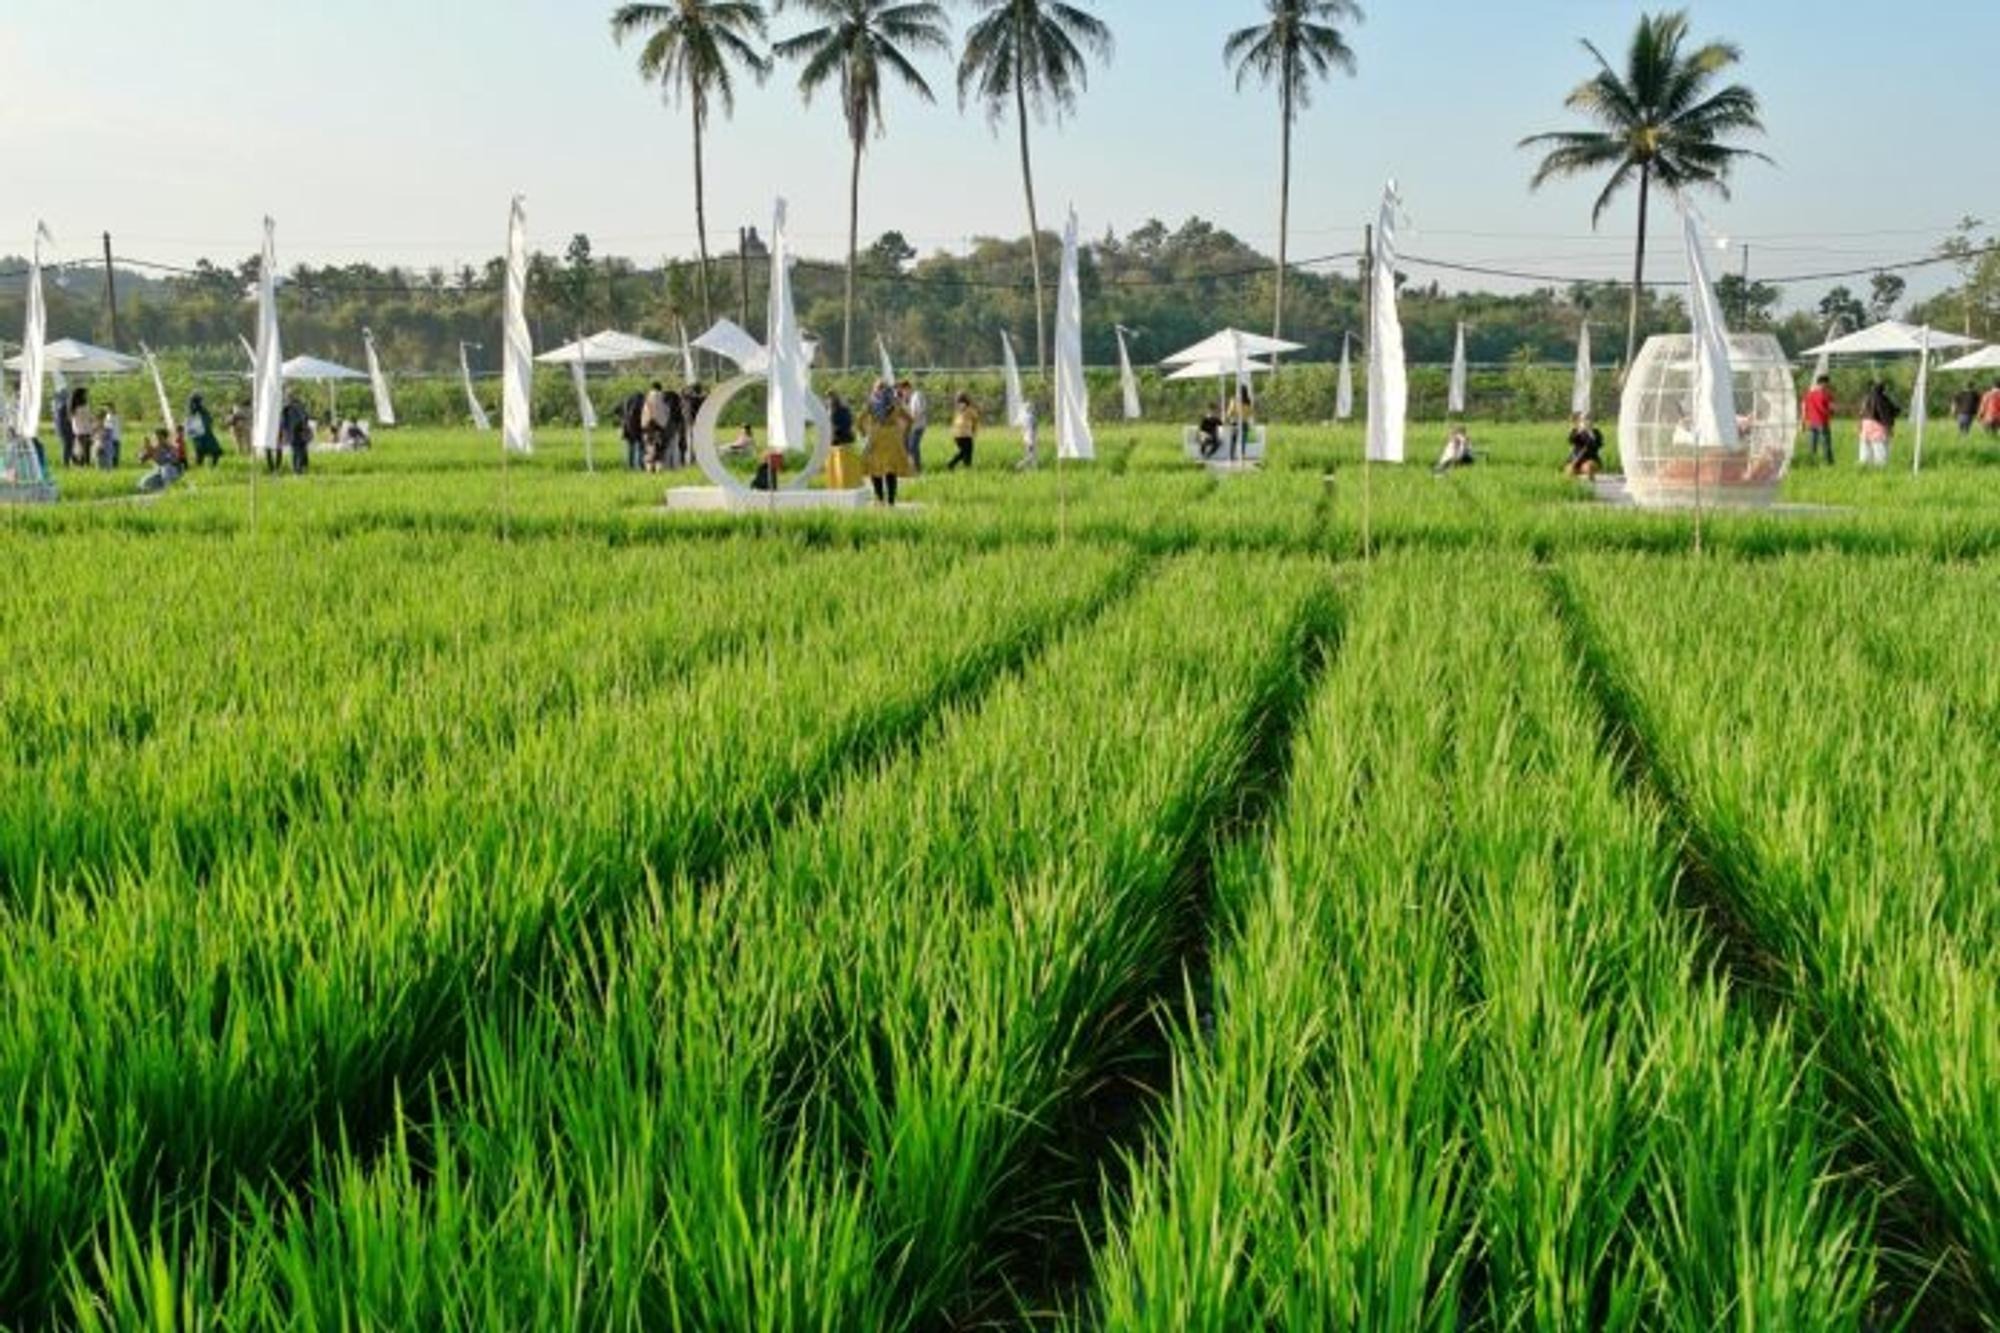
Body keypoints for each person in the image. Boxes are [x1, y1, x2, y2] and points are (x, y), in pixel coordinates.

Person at [859, 379, 913, 505]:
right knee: (891, 470)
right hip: (893, 439)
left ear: (875, 389)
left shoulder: (871, 403)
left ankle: (880, 499)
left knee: (875, 469)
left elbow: (859, 420)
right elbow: (910, 420)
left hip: (876, 438)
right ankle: (891, 501)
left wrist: (864, 433)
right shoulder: (896, 403)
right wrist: (904, 433)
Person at [1858, 381, 1899, 467]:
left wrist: (1860, 426)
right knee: (1880, 451)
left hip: (1865, 425)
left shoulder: (1866, 398)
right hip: (1877, 426)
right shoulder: (1882, 399)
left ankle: (1864, 468)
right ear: (1883, 390)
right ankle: (1880, 470)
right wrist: (1889, 428)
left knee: (1865, 450)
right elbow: (1884, 414)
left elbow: (1861, 413)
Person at [826, 390, 861, 490]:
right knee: (841, 467)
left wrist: (833, 434)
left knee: (843, 467)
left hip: (841, 441)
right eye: (828, 398)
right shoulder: (834, 410)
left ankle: (844, 485)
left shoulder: (839, 410)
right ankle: (840, 485)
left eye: (830, 398)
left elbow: (843, 425)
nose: (828, 400)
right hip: (841, 441)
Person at [1801, 375, 1836, 465]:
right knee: (1826, 444)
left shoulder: (1809, 394)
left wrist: (1803, 421)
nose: (1828, 386)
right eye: (1827, 384)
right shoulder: (1826, 395)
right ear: (1823, 383)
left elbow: (1803, 407)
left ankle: (1811, 462)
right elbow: (1832, 408)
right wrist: (1832, 412)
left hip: (1812, 423)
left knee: (1812, 445)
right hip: (1822, 422)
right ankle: (1829, 463)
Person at [138, 427, 184, 493]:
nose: (158, 441)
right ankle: (159, 489)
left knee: (166, 468)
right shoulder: (153, 449)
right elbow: (141, 461)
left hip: (173, 472)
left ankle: (169, 488)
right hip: (159, 473)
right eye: (156, 439)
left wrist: (156, 453)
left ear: (165, 438)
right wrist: (145, 451)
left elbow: (173, 461)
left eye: (160, 438)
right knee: (143, 483)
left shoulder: (171, 447)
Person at [185, 394, 224, 467]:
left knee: (208, 451)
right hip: (201, 434)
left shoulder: (199, 410)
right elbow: (208, 420)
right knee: (204, 452)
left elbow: (208, 420)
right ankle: (205, 467)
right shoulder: (196, 411)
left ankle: (209, 466)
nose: (202, 402)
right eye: (200, 400)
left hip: (202, 434)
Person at [277, 390, 309, 474]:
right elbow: (306, 417)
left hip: (292, 433)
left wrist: (284, 432)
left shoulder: (286, 408)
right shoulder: (300, 406)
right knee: (300, 450)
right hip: (301, 431)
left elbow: (283, 422)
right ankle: (299, 468)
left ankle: (297, 469)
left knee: (296, 451)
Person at [1563, 413, 1604, 477]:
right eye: (1582, 420)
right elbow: (1571, 440)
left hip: (1590, 458)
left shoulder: (1596, 432)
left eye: (1587, 419)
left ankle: (1591, 482)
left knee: (1589, 467)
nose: (1585, 422)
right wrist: (1579, 431)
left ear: (1591, 421)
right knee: (1569, 470)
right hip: (1576, 458)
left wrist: (1590, 433)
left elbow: (1598, 445)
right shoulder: (1575, 431)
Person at [901, 378, 929, 473]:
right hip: (911, 426)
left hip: (918, 426)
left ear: (908, 388)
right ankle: (910, 466)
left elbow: (919, 411)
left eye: (903, 391)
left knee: (913, 446)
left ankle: (917, 468)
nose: (903, 393)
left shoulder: (917, 395)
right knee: (906, 446)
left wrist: (911, 418)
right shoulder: (909, 398)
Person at [947, 393, 980, 470]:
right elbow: (976, 417)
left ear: (966, 402)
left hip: (964, 434)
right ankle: (952, 463)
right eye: (959, 403)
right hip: (961, 435)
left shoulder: (966, 411)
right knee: (965, 452)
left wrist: (974, 430)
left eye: (962, 402)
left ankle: (965, 466)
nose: (961, 405)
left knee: (966, 452)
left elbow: (976, 418)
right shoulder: (965, 410)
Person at [641, 381, 669, 471]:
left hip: (648, 427)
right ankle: (658, 469)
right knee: (659, 449)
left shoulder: (647, 398)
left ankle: (649, 469)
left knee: (649, 448)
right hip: (660, 427)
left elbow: (644, 414)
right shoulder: (663, 398)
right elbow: (666, 412)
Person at [68, 387, 98, 468]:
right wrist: (95, 420)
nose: (86, 396)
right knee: (86, 449)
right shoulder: (84, 407)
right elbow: (90, 418)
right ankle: (84, 464)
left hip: (78, 430)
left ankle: (79, 463)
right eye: (85, 394)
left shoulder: (73, 408)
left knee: (83, 449)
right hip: (85, 430)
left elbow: (73, 420)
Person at [1224, 384, 1255, 460]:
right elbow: (1251, 413)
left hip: (1235, 422)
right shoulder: (1248, 401)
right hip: (1244, 423)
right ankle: (1242, 455)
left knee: (1233, 440)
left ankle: (1231, 456)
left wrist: (1227, 417)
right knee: (1243, 441)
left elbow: (1230, 412)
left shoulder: (1234, 400)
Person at [619, 389, 646, 470]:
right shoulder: (642, 404)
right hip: (639, 428)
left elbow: (616, 410)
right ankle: (641, 465)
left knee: (631, 448)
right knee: (641, 448)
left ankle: (631, 465)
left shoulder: (627, 402)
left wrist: (622, 417)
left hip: (628, 428)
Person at [1015, 399, 1040, 471]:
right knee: (1031, 456)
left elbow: (1016, 424)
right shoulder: (1031, 417)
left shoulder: (1023, 417)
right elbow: (1034, 428)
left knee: (1030, 455)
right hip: (1031, 439)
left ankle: (1029, 470)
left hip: (1026, 439)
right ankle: (1019, 465)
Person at [97, 403, 122, 469]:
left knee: (115, 453)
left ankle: (115, 465)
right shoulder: (108, 416)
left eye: (109, 408)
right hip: (111, 437)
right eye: (107, 409)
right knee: (111, 452)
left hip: (116, 436)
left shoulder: (116, 416)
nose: (108, 410)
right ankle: (110, 465)